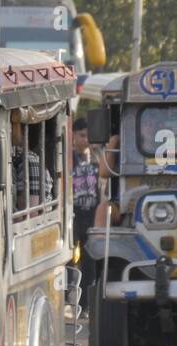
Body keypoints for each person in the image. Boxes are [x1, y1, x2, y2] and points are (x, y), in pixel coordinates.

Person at [71, 118, 100, 312]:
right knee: (70, 258)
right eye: (82, 135)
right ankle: (68, 299)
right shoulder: (67, 158)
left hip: (91, 214)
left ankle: (85, 304)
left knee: (90, 261)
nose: (86, 139)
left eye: (89, 136)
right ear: (73, 135)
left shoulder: (98, 159)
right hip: (73, 215)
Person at [11, 112, 54, 211]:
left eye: (13, 125)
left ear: (21, 131)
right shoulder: (16, 159)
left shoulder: (30, 162)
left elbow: (31, 212)